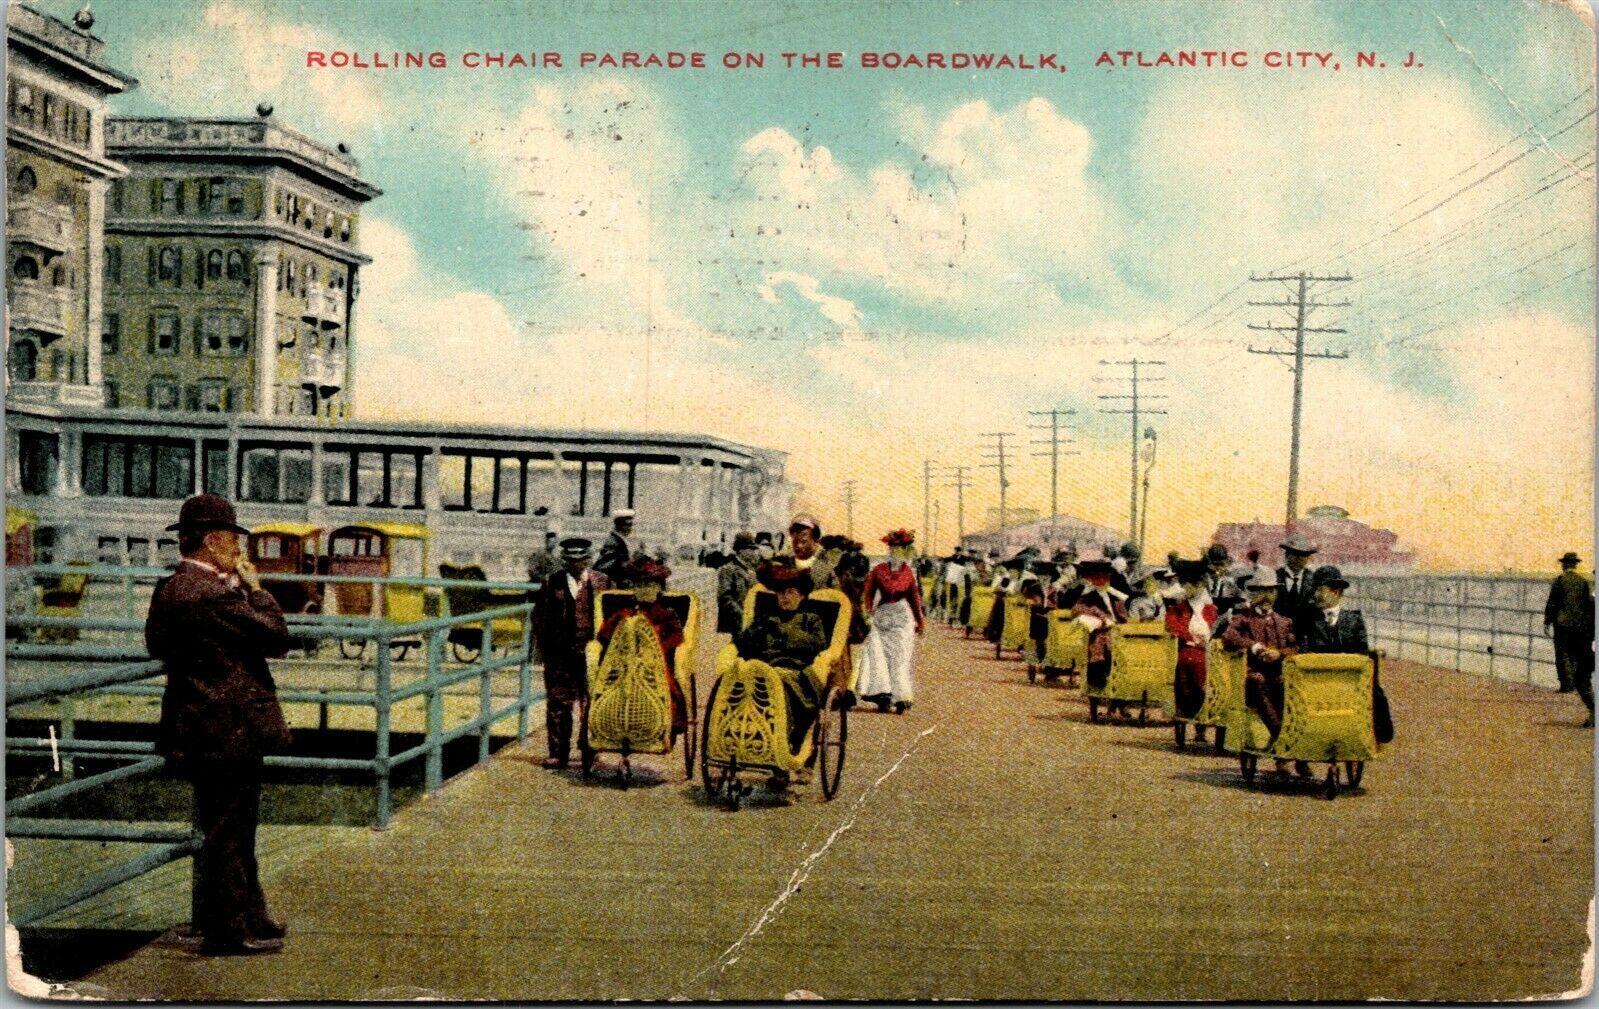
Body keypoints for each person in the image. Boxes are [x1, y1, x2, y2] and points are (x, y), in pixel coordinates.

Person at [145, 494, 292, 957]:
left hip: (196, 720)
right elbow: (276, 637)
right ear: (210, 542)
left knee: (227, 824)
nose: (238, 550)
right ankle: (228, 930)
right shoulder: (214, 593)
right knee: (231, 828)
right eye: (232, 540)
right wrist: (256, 588)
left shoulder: (169, 589)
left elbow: (155, 644)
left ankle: (249, 914)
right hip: (231, 725)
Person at [734, 564, 830, 760]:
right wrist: (755, 631)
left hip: (796, 671)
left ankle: (788, 741)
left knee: (780, 681)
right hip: (764, 669)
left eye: (791, 592)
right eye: (780, 593)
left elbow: (817, 643)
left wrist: (784, 631)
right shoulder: (766, 618)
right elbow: (742, 645)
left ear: (802, 595)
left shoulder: (810, 619)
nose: (785, 597)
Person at [534, 537, 611, 768]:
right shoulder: (552, 582)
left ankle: (590, 750)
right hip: (560, 652)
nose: (576, 564)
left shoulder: (602, 582)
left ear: (589, 559)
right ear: (565, 561)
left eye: (581, 560)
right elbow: (539, 618)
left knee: (592, 702)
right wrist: (542, 649)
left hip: (591, 652)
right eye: (571, 560)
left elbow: (611, 617)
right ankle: (558, 753)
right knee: (559, 702)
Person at [1297, 565, 1394, 744]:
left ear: (1336, 592)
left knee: (1375, 688)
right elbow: (1303, 649)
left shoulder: (1354, 620)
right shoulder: (1307, 619)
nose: (1316, 595)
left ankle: (1380, 730)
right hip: (1318, 679)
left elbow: (1361, 650)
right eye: (1314, 589)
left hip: (1349, 678)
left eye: (1320, 589)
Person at [1222, 570, 1304, 775]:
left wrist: (1279, 654)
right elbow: (1228, 637)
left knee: (1290, 686)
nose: (1267, 596)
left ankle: (1293, 747)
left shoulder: (1284, 622)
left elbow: (1296, 649)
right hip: (1251, 676)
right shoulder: (1242, 619)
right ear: (1253, 593)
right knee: (1257, 680)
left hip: (1278, 675)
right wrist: (1254, 647)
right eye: (1261, 591)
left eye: (1271, 591)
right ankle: (1283, 739)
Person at [595, 559, 687, 736]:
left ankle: (664, 721)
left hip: (654, 665)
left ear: (659, 589)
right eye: (640, 585)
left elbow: (676, 637)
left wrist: (656, 651)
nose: (644, 590)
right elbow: (605, 636)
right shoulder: (623, 613)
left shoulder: (666, 615)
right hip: (622, 664)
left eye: (650, 585)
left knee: (668, 687)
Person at [855, 529, 927, 714]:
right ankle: (882, 694)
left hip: (902, 616)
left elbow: (914, 598)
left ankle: (901, 695)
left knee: (900, 656)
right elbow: (868, 592)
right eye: (893, 548)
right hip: (882, 616)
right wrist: (868, 610)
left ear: (906, 551)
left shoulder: (908, 573)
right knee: (878, 653)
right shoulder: (878, 570)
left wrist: (920, 622)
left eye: (900, 548)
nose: (896, 552)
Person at [1166, 559, 1218, 735]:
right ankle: (1196, 699)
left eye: (1187, 585)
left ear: (1199, 585)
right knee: (1191, 659)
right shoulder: (1178, 609)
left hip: (1211, 650)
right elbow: (1174, 627)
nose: (1184, 588)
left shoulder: (1211, 609)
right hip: (1189, 649)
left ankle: (1213, 701)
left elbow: (1215, 627)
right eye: (1183, 584)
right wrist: (1193, 639)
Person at [1072, 559, 1128, 697]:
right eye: (1098, 578)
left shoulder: (1115, 596)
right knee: (1101, 648)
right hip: (1101, 633)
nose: (1102, 581)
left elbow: (1124, 616)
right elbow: (1077, 611)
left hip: (1120, 631)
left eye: (1105, 578)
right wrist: (1101, 619)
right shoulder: (1087, 597)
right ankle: (1099, 683)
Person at [1544, 552, 1594, 699]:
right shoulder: (1583, 581)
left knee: (1562, 653)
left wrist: (1547, 621)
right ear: (1575, 565)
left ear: (1564, 565)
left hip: (1562, 623)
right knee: (1575, 653)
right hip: (1579, 624)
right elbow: (1589, 604)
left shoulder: (1560, 581)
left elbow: (1552, 602)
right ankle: (1575, 683)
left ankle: (1567, 684)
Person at [717, 531, 761, 633]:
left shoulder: (751, 570)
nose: (753, 552)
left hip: (749, 621)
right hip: (735, 622)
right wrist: (742, 615)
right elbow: (725, 598)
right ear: (741, 551)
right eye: (751, 549)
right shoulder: (728, 569)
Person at [782, 514, 838, 590]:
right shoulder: (786, 563)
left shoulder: (825, 565)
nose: (798, 546)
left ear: (815, 540)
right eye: (795, 542)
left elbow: (837, 593)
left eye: (803, 542)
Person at [1275, 533, 1318, 621]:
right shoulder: (1274, 577)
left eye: (1303, 554)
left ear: (1308, 558)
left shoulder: (1314, 580)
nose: (1299, 558)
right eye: (1294, 553)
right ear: (1286, 555)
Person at [594, 510, 636, 586]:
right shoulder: (613, 541)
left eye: (631, 525)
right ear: (619, 526)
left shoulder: (619, 540)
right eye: (628, 525)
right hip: (610, 583)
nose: (630, 528)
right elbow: (605, 566)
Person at [1205, 543, 1243, 616]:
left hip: (1231, 605)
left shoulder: (1236, 570)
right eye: (1214, 564)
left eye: (1220, 564)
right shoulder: (1210, 570)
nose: (1217, 567)